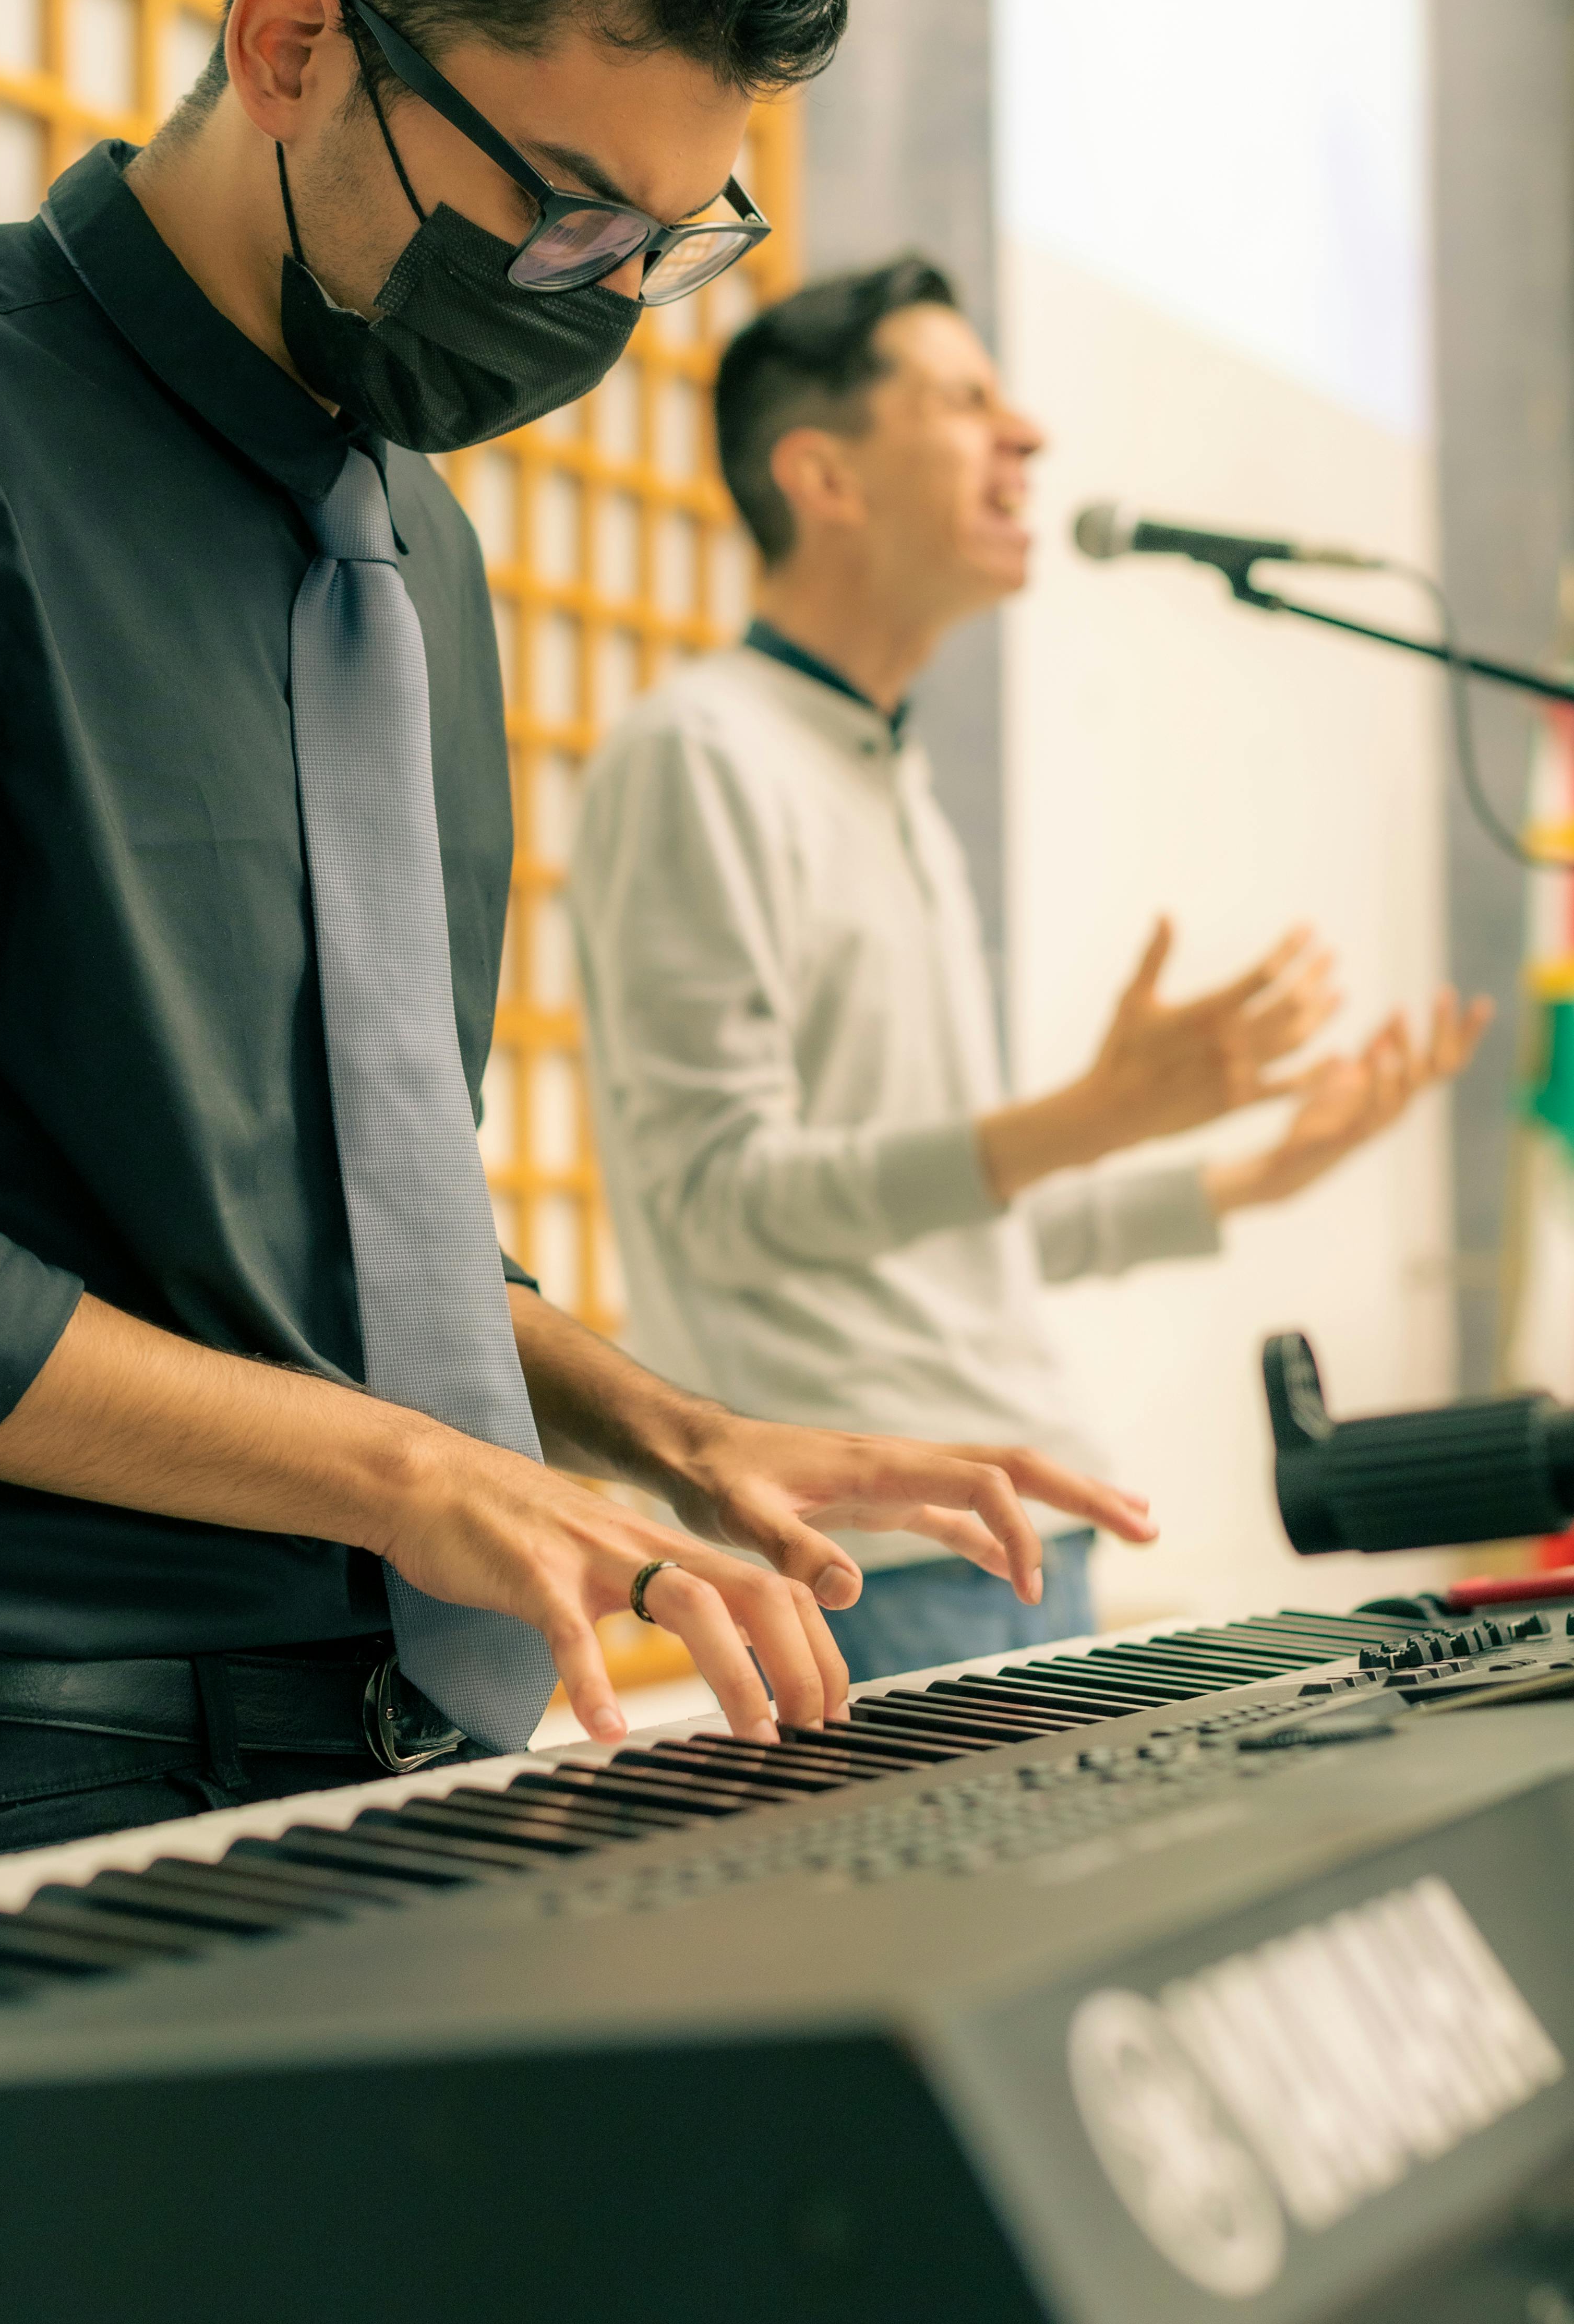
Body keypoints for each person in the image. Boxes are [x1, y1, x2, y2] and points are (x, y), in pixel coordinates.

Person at [0, 0, 1155, 1907]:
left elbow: (321, 1231)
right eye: (559, 212)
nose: (589, 300)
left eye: (658, 249)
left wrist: (665, 1429)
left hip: (402, 1758)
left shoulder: (412, 543)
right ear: (293, 43)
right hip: (17, 1771)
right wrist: (410, 1477)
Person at [568, 257, 1490, 1682]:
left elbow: (940, 1229)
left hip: (1017, 1532)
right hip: (880, 1558)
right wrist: (1091, 1116)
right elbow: (721, 1206)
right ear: (823, 475)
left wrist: (1249, 1179)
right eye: (965, 400)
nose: (1030, 436)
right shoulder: (703, 753)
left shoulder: (883, 772)